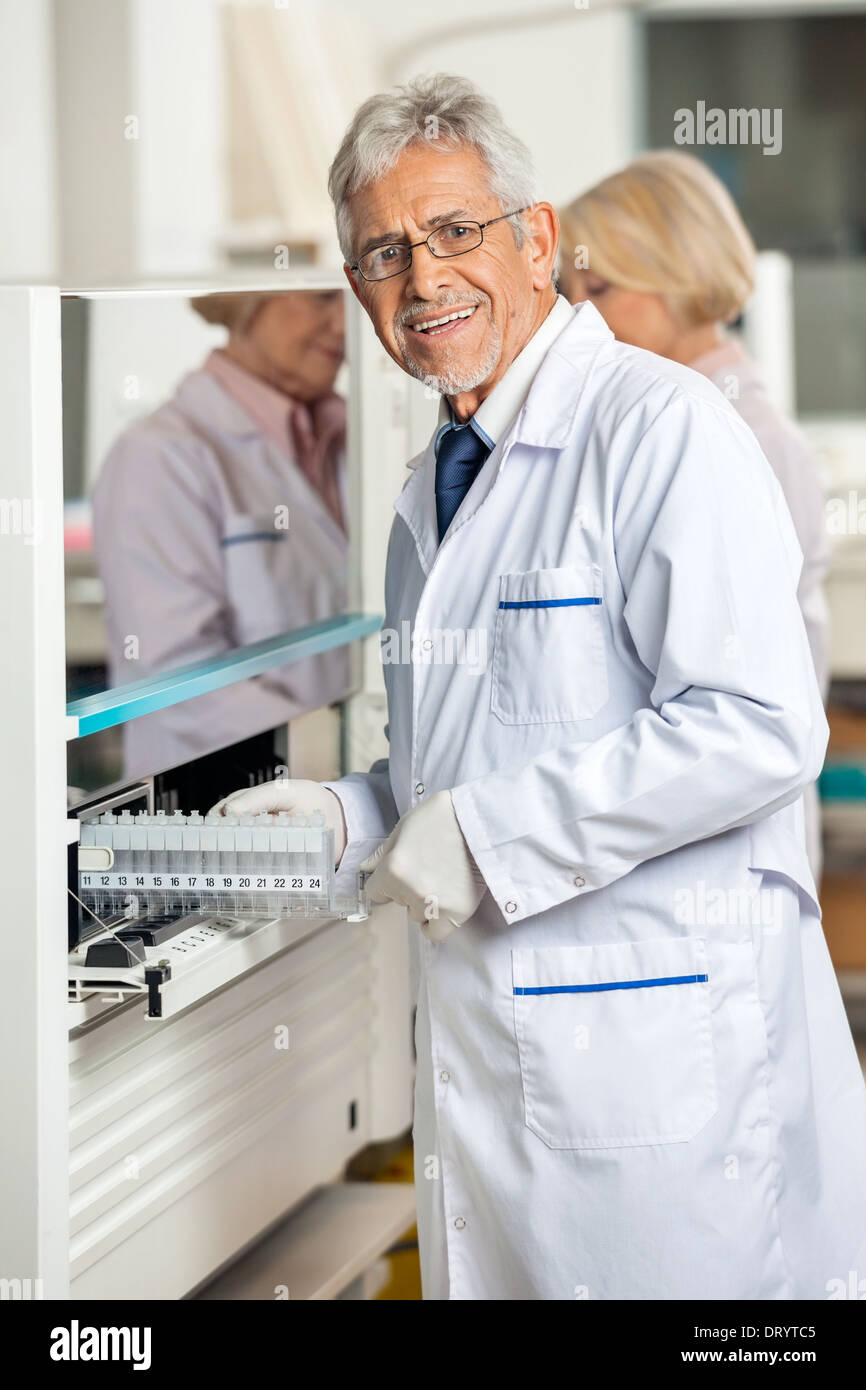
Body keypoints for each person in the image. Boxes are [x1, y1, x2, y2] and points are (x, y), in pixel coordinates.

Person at [212, 75, 866, 1300]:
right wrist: (349, 814)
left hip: (658, 1082)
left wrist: (484, 834)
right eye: (384, 254)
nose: (422, 278)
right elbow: (465, 761)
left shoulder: (658, 429)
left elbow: (756, 724)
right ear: (357, 287)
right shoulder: (434, 486)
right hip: (503, 1075)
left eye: (454, 230)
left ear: (537, 240)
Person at [558, 151, 829, 876]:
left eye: (600, 287)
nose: (580, 312)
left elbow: (735, 719)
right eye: (569, 288)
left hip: (720, 848)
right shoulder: (658, 420)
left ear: (680, 274)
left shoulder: (738, 436)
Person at [92, 290, 349, 777]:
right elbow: (174, 671)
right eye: (321, 299)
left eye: (352, 297)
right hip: (220, 792)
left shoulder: (353, 438)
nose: (343, 324)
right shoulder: (160, 455)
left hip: (340, 792)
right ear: (245, 302)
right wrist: (329, 745)